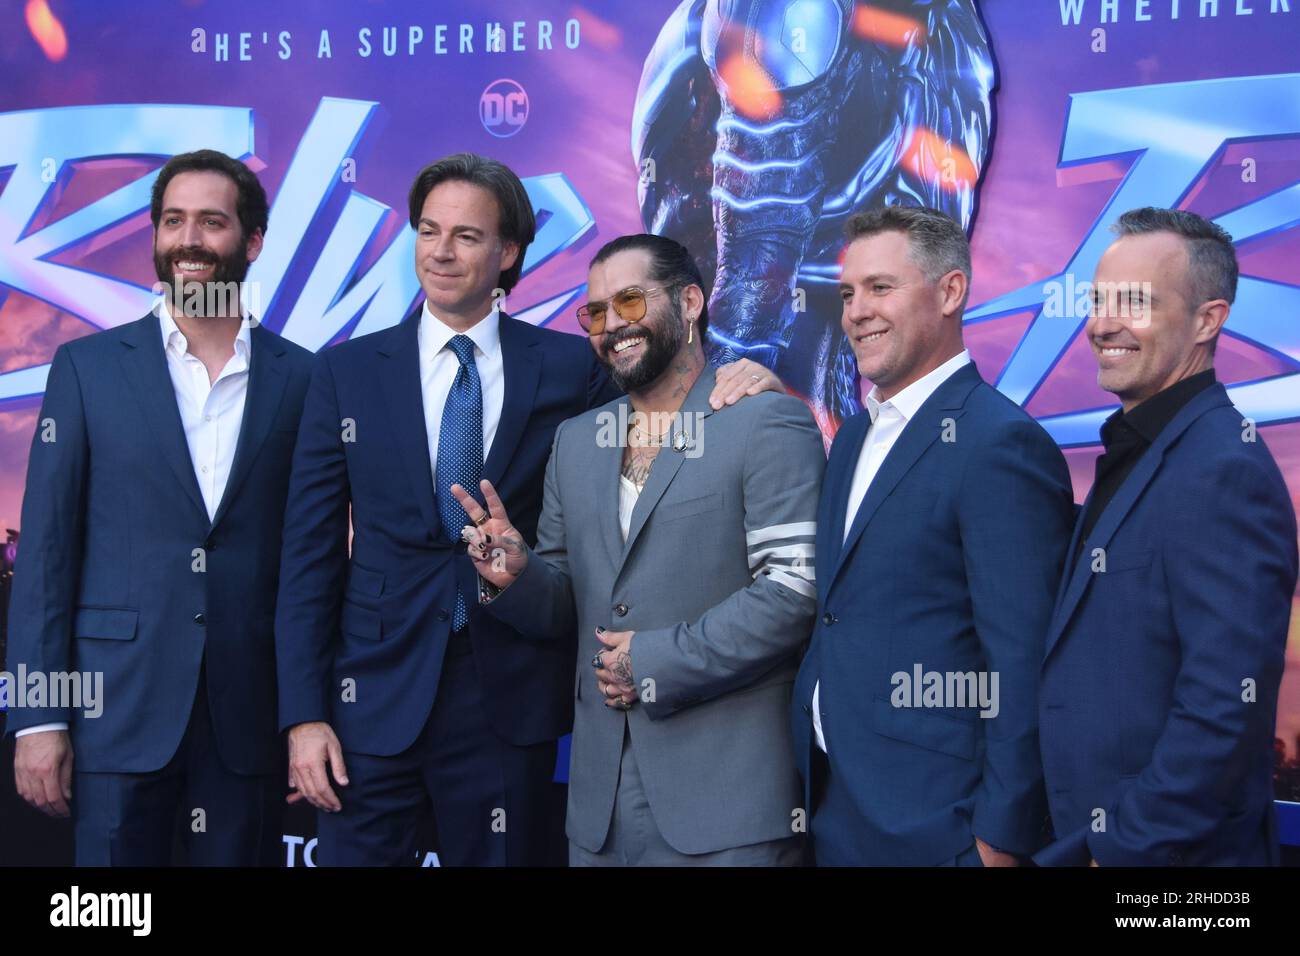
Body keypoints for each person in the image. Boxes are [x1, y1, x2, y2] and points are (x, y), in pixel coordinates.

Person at [275, 157, 780, 866]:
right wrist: (303, 714)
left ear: (508, 252)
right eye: (428, 231)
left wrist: (748, 374)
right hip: (371, 697)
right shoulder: (345, 374)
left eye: (467, 235)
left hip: (507, 698)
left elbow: (667, 397)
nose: (441, 251)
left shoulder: (573, 367)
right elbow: (309, 555)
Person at [459, 233, 823, 865]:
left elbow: (794, 591)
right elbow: (566, 601)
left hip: (728, 807)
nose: (610, 326)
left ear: (689, 302)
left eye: (629, 302)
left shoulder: (766, 419)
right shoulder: (576, 442)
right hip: (597, 814)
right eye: (595, 313)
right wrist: (515, 577)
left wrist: (654, 662)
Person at [7, 149, 313, 865]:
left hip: (249, 716)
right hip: (112, 712)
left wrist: (309, 712)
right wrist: (36, 718)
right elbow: (46, 556)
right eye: (172, 220)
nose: (189, 240)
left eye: (212, 221)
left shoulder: (305, 378)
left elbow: (313, 562)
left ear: (253, 241)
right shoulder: (87, 370)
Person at [791, 205, 1074, 866]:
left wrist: (997, 843)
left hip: (938, 832)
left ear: (950, 292)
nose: (856, 311)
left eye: (881, 288)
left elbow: (1025, 661)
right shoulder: (855, 434)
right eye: (849, 293)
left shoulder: (1000, 445)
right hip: (836, 816)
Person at [1036, 207, 1298, 866]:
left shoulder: (1223, 469)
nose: (1103, 325)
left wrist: (1116, 851)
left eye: (1136, 304)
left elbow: (1222, 710)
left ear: (1208, 320)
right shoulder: (1144, 450)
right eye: (1098, 302)